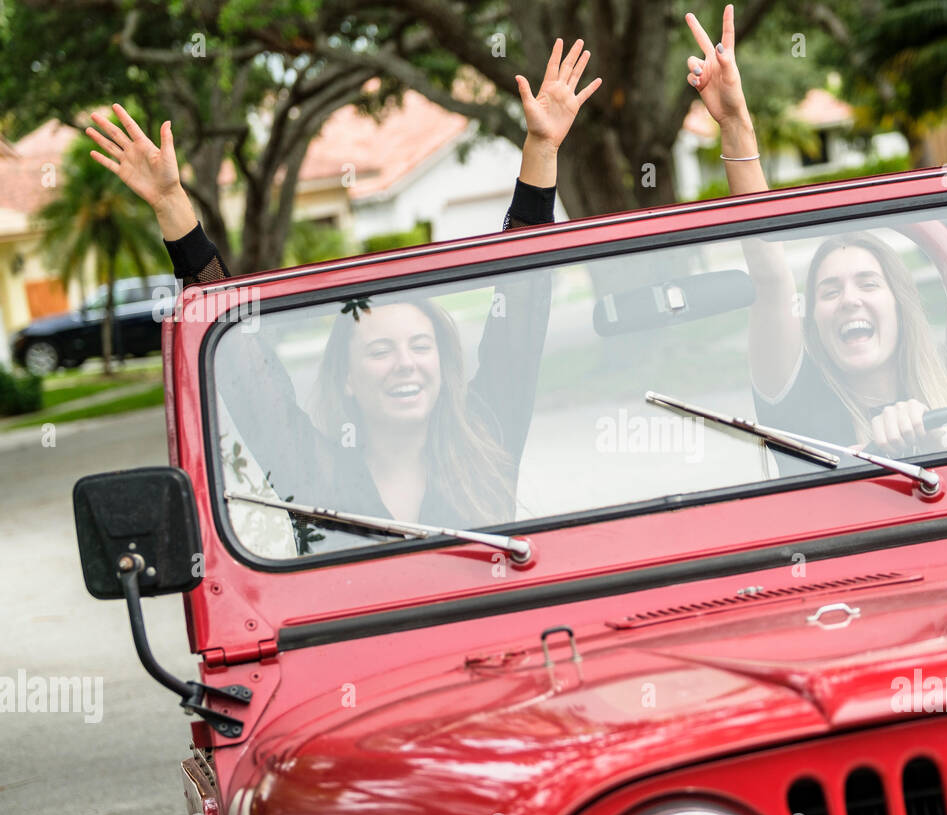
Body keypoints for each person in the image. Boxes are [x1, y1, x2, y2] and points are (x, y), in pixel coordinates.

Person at [85, 40, 601, 544]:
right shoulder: (311, 470)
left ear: (444, 364)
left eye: (421, 347)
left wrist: (540, 149)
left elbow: (523, 310)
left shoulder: (489, 440)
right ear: (347, 378)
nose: (406, 363)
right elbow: (242, 364)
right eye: (380, 350)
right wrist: (172, 204)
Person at [683, 6, 947, 473]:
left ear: (900, 304)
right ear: (813, 321)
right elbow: (769, 272)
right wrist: (736, 124)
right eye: (829, 291)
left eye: (867, 283)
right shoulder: (798, 408)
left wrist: (944, 438)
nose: (849, 300)